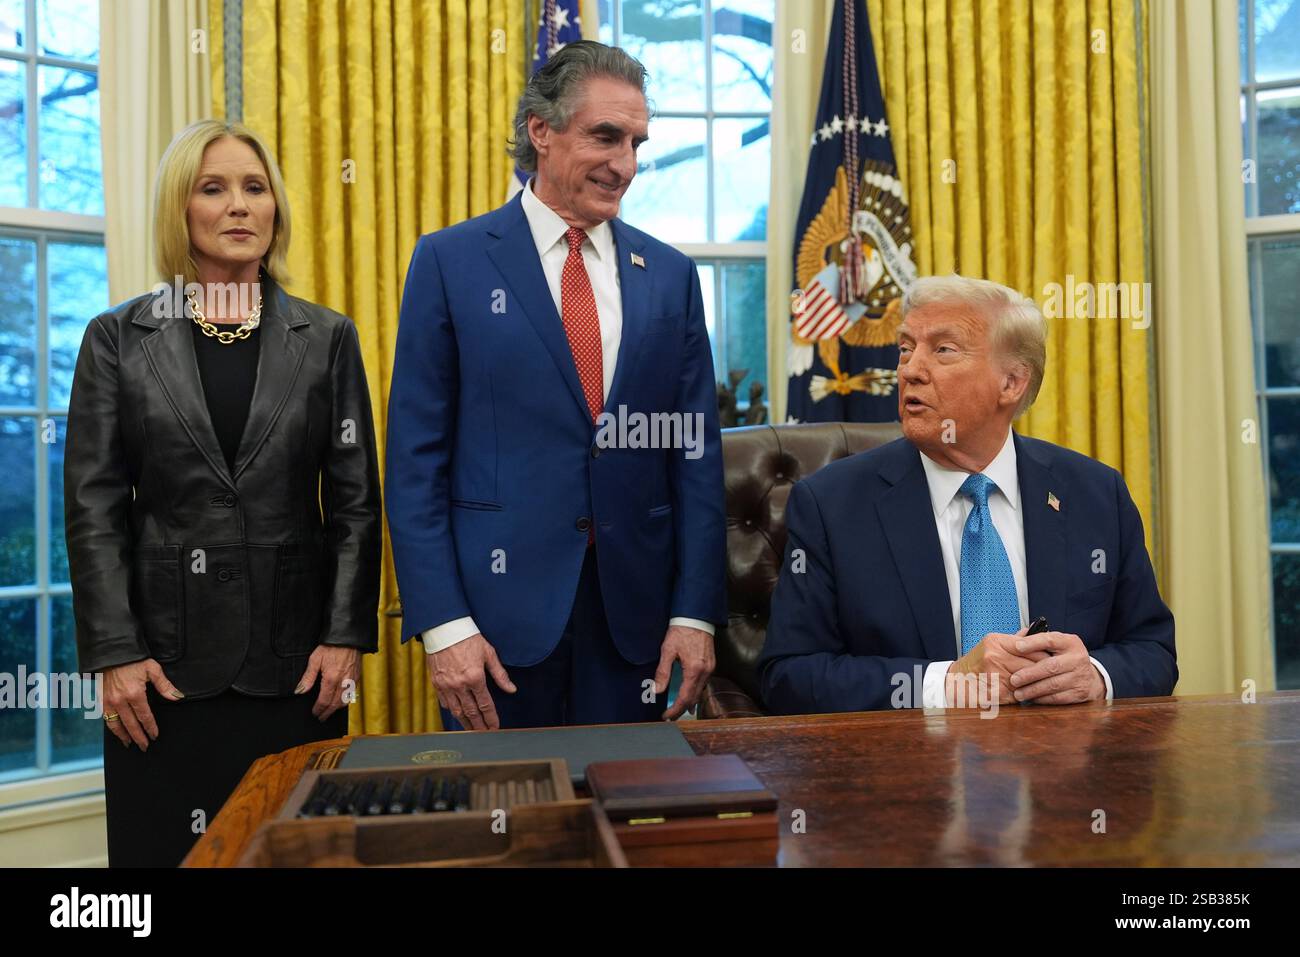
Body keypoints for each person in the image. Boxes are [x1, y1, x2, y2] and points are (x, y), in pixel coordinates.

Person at [64, 119, 381, 866]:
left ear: (275, 209)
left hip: (296, 667)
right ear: (182, 208)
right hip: (161, 677)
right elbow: (93, 508)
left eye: (255, 187)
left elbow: (356, 502)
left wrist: (343, 636)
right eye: (214, 188)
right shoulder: (116, 339)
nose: (239, 205)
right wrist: (114, 651)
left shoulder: (327, 337)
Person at [385, 41, 726, 731]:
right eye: (605, 136)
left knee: (629, 826)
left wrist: (694, 613)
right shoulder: (448, 262)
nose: (625, 164)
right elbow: (414, 461)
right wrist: (444, 624)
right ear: (541, 130)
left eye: (636, 142)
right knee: (511, 827)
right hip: (493, 631)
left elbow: (696, 459)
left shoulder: (669, 275)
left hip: (635, 627)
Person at [759, 275, 1177, 714]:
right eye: (905, 348)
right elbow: (789, 677)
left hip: (1061, 771)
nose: (910, 370)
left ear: (1012, 383)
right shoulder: (832, 505)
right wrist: (949, 684)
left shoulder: (1095, 494)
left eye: (942, 350)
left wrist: (1095, 675)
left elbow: (1153, 651)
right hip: (909, 772)